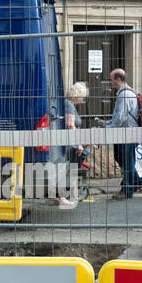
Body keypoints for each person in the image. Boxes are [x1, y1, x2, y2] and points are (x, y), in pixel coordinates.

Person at [107, 68, 142, 199]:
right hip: (125, 132)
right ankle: (137, 181)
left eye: (111, 79)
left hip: (127, 134)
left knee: (127, 161)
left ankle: (127, 191)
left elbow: (121, 117)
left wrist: (110, 128)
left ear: (118, 79)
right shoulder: (124, 92)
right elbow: (119, 116)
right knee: (121, 157)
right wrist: (107, 123)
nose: (110, 82)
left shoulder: (124, 94)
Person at [56, 81, 88, 209]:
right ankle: (61, 196)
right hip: (68, 144)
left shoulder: (68, 104)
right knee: (66, 169)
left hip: (67, 142)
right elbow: (70, 125)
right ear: (77, 95)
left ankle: (60, 196)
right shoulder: (69, 105)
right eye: (83, 96)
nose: (83, 99)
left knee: (65, 169)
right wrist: (78, 144)